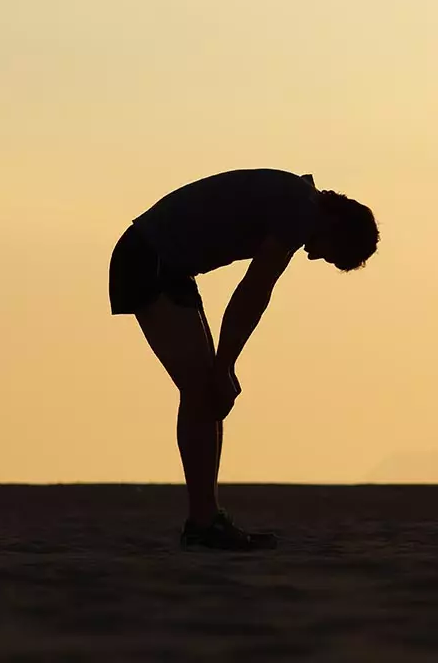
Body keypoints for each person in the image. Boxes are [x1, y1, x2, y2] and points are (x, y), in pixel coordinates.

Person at [108, 169, 379, 550]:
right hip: (145, 260)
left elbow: (252, 296)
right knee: (202, 390)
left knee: (207, 394)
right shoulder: (299, 211)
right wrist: (224, 366)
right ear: (337, 224)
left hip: (168, 267)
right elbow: (252, 294)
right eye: (331, 254)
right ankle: (202, 523)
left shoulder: (300, 203)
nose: (316, 256)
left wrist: (223, 366)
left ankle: (206, 518)